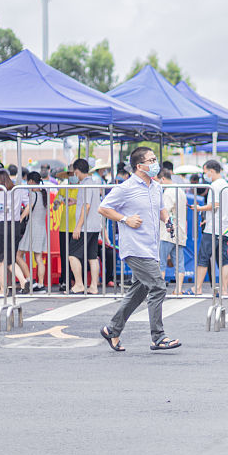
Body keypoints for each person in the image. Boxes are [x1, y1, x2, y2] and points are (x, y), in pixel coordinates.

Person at [98, 147, 181, 353]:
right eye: (151, 160)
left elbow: (161, 208)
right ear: (139, 166)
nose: (155, 164)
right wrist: (125, 219)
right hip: (134, 247)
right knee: (158, 287)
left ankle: (112, 329)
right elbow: (104, 207)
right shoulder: (125, 188)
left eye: (155, 159)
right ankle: (158, 337)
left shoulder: (155, 187)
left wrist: (167, 220)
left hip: (151, 246)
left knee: (140, 290)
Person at [192, 160, 228, 295]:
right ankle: (224, 290)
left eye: (205, 172)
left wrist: (199, 208)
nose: (205, 175)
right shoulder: (226, 185)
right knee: (223, 259)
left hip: (213, 228)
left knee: (203, 258)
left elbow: (214, 204)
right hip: (224, 227)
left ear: (211, 171)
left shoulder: (215, 186)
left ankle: (197, 288)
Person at [0, 169, 29, 293]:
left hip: (1, 227)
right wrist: (21, 217)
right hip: (15, 226)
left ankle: (2, 288)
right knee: (10, 259)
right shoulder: (18, 191)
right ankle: (23, 281)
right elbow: (29, 204)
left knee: (0, 260)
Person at [69, 159, 104, 294]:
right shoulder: (94, 183)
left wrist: (78, 227)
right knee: (92, 257)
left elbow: (87, 206)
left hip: (86, 226)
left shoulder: (86, 185)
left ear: (77, 171)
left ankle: (79, 284)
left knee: (72, 255)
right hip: (95, 226)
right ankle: (94, 286)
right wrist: (76, 202)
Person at [17, 172, 50, 292]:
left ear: (31, 181)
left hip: (33, 228)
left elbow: (29, 207)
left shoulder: (33, 194)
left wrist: (20, 218)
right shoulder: (44, 194)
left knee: (18, 255)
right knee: (39, 258)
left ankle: (29, 279)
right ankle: (40, 284)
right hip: (42, 228)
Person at [158, 168, 187, 295]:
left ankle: (159, 290)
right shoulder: (180, 190)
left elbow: (164, 211)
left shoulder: (168, 193)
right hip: (180, 231)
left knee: (161, 262)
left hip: (167, 232)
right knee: (179, 263)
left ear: (163, 179)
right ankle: (179, 289)